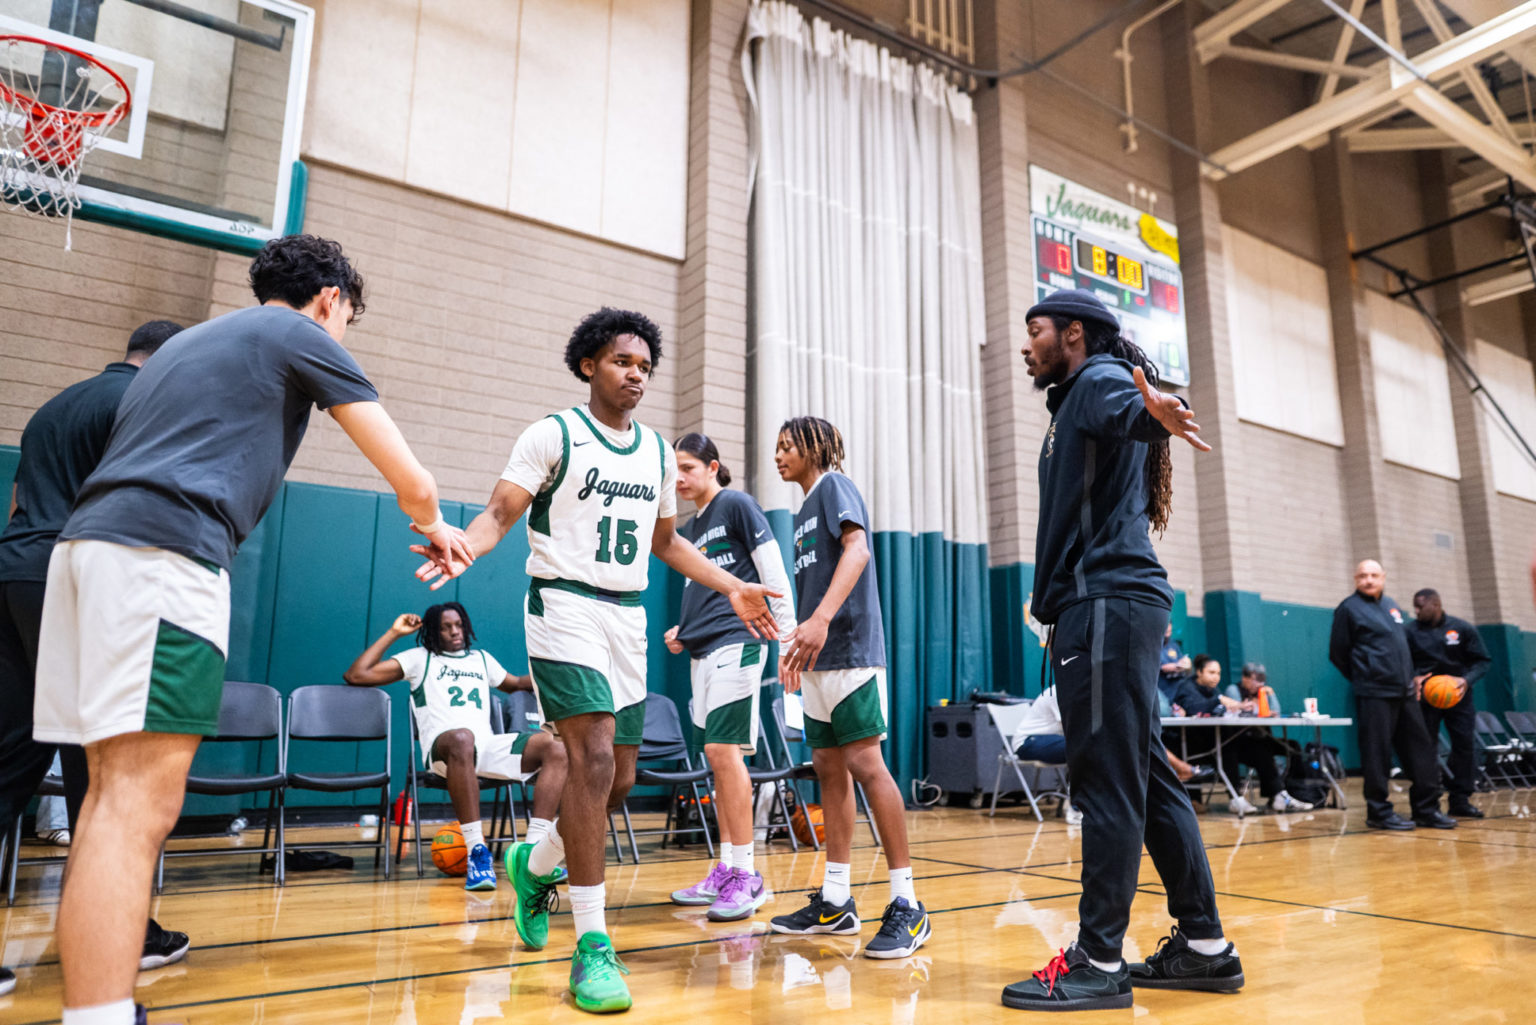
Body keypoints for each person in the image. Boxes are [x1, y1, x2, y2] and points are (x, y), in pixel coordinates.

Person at [32, 235, 473, 1025]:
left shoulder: (186, 346)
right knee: (135, 807)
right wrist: (437, 524)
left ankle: (98, 1007)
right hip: (162, 558)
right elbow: (413, 477)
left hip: (85, 552)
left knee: (105, 801)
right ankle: (96, 1013)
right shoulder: (297, 331)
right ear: (331, 298)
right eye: (348, 317)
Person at [410, 307, 779, 1015]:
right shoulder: (552, 433)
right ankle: (592, 945)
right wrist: (466, 544)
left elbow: (666, 543)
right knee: (596, 757)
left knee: (619, 778)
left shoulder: (658, 454)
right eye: (622, 361)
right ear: (588, 364)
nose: (636, 374)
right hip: (563, 605)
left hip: (626, 615)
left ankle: (534, 861)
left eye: (644, 365)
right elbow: (499, 512)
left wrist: (731, 584)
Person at [1002, 289, 1241, 1011]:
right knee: (1146, 777)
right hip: (1104, 607)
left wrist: (1152, 413)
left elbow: (1126, 408)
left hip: (1106, 606)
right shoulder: (1074, 398)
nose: (1026, 344)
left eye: (1035, 331)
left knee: (1105, 783)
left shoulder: (1098, 382)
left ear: (1073, 334)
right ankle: (1205, 947)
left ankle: (1099, 958)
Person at [0, 321, 192, 1000]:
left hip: (14, 564)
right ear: (168, 358)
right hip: (74, 569)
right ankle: (125, 935)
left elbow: (22, 498)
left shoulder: (55, 405)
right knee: (106, 763)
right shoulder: (140, 403)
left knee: (13, 752)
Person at [766, 416, 931, 960]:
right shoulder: (799, 513)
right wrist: (798, 645)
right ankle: (836, 900)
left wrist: (820, 622)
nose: (779, 455)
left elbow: (857, 552)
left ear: (815, 446)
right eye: (777, 448)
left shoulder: (835, 485)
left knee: (865, 764)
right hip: (816, 660)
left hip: (852, 651)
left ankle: (908, 904)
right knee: (828, 768)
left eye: (787, 446)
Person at [663, 433, 796, 921]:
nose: (678, 478)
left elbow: (773, 574)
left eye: (687, 467)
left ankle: (748, 875)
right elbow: (710, 589)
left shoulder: (736, 505)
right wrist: (685, 630)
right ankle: (725, 868)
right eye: (673, 469)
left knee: (724, 753)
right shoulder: (690, 527)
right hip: (703, 649)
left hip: (740, 643)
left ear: (713, 467)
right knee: (718, 762)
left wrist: (788, 643)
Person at [343, 602, 569, 889]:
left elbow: (515, 683)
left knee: (555, 745)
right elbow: (357, 675)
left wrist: (554, 670)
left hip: (485, 748)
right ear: (433, 632)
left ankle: (535, 857)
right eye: (445, 627)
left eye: (458, 624)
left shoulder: (481, 659)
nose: (454, 631)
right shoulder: (418, 658)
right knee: (463, 737)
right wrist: (394, 632)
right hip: (444, 750)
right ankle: (477, 852)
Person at [1328, 560, 1455, 831]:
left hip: (1405, 692)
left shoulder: (1392, 606)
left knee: (1421, 752)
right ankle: (1379, 813)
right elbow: (1338, 653)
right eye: (1363, 576)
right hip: (1374, 693)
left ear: (1383, 577)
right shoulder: (1348, 609)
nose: (1369, 580)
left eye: (1374, 575)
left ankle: (1426, 809)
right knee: (1377, 755)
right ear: (1355, 579)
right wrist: (1366, 676)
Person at [1171, 657, 1312, 815]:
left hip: (1221, 741)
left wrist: (1236, 706)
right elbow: (1192, 708)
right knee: (1228, 747)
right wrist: (1220, 701)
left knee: (1260, 748)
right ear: (1199, 672)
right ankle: (1235, 798)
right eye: (1211, 672)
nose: (1216, 677)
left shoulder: (1213, 690)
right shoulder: (1187, 687)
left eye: (1218, 673)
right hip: (1196, 746)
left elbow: (1224, 708)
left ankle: (1278, 795)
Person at [1405, 588, 1490, 819]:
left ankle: (1460, 800)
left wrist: (1466, 680)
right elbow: (1402, 662)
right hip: (1426, 697)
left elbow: (1482, 661)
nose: (1416, 611)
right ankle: (1427, 803)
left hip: (1458, 695)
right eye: (1415, 607)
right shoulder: (1409, 631)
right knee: (1425, 749)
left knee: (1464, 745)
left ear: (1436, 604)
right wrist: (1413, 676)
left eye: (1420, 606)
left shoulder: (1462, 628)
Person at [1008, 685, 1081, 825]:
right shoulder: (1058, 691)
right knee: (1083, 747)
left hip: (1051, 740)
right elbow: (1070, 725)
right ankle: (1076, 809)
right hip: (1027, 742)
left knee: (1088, 747)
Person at [1158, 622, 1192, 704]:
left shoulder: (1173, 644)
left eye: (1170, 632)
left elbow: (1181, 660)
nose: (1167, 635)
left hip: (1177, 686)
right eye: (1166, 632)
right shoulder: (1152, 644)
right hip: (1161, 687)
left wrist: (1185, 664)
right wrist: (1162, 668)